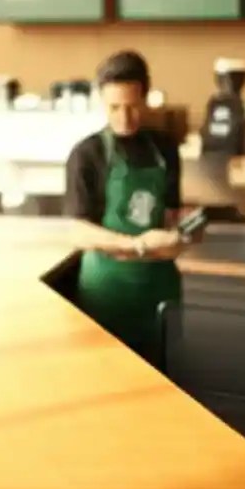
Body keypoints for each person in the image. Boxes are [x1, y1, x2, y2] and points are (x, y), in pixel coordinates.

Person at [64, 51, 189, 365]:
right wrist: (135, 244)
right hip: (107, 291)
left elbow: (171, 215)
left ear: (146, 98)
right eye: (114, 107)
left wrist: (184, 234)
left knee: (166, 380)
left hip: (157, 290)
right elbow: (78, 231)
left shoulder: (165, 148)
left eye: (132, 106)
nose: (123, 117)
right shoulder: (87, 154)